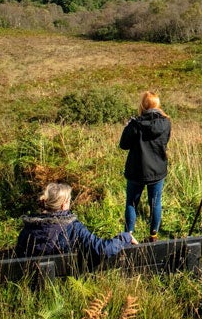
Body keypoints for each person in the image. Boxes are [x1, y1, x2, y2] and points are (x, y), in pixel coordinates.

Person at [15, 182, 137, 259]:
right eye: (69, 200)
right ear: (63, 205)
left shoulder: (29, 228)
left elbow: (19, 254)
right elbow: (102, 250)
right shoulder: (72, 227)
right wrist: (125, 237)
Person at [119, 91, 171, 242]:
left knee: (132, 203)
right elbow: (165, 142)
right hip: (157, 169)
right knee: (155, 203)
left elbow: (123, 145)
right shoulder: (166, 123)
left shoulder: (136, 124)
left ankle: (128, 236)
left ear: (142, 105)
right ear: (157, 104)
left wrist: (127, 127)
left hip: (136, 170)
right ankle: (153, 235)